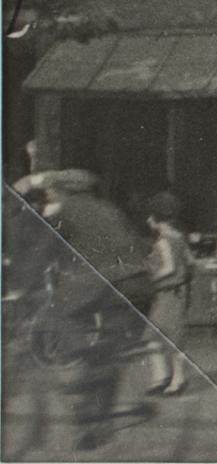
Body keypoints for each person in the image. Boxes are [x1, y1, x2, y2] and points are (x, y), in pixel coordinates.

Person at [43, 169, 151, 449]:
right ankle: (96, 421)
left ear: (63, 190)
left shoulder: (68, 209)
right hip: (138, 283)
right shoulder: (111, 209)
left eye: (51, 190)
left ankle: (78, 358)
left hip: (103, 282)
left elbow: (42, 246)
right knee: (108, 354)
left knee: (60, 312)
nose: (48, 195)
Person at [143, 190, 194, 396]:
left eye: (150, 217)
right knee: (161, 336)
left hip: (167, 293)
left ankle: (172, 379)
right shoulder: (180, 238)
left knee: (162, 337)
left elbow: (169, 268)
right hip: (176, 293)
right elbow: (190, 261)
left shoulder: (163, 241)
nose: (148, 220)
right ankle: (166, 378)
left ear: (158, 219)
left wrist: (150, 279)